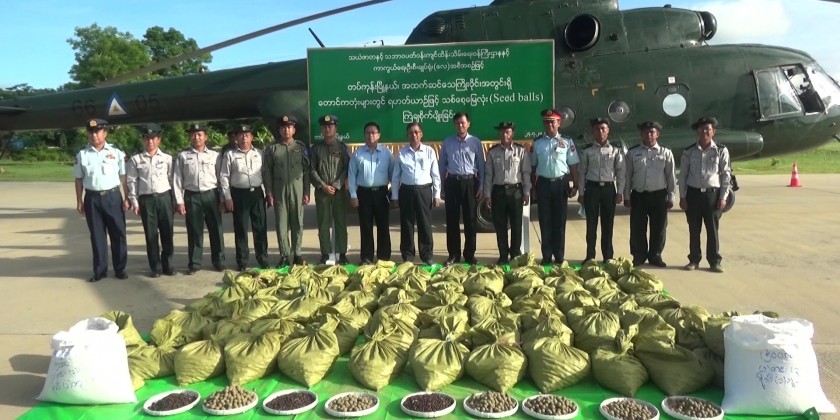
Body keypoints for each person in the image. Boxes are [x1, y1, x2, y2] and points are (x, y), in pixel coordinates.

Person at [72, 118, 129, 282]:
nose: (94, 135)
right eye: (91, 132)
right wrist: (79, 200)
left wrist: (127, 198)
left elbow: (124, 177)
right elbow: (78, 179)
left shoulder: (116, 153)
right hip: (92, 198)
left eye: (97, 131)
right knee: (97, 236)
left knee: (118, 233)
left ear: (105, 133)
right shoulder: (82, 154)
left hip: (113, 197)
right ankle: (99, 270)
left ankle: (120, 269)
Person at [679, 116, 732, 273]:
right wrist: (682, 197)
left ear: (713, 131)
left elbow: (726, 175)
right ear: (697, 131)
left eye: (708, 129)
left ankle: (714, 262)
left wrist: (723, 197)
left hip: (712, 195)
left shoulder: (721, 150)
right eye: (701, 129)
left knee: (712, 230)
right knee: (694, 229)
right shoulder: (689, 151)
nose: (704, 132)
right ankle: (694, 260)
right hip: (693, 195)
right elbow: (683, 176)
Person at [173, 123, 226, 275]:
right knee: (194, 231)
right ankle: (195, 263)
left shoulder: (215, 156)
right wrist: (179, 201)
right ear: (190, 137)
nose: (196, 137)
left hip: (211, 195)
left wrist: (223, 198)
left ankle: (219, 261)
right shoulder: (183, 156)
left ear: (205, 137)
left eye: (199, 134)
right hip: (192, 196)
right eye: (193, 134)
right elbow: (177, 179)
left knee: (216, 229)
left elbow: (221, 177)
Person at [530, 109, 580, 265]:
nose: (549, 125)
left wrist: (576, 185)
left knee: (559, 222)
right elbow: (533, 167)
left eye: (552, 122)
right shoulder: (537, 143)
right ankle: (546, 256)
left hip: (561, 184)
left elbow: (573, 165)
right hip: (543, 184)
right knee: (544, 221)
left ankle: (559, 256)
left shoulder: (567, 141)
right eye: (546, 122)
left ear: (559, 123)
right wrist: (533, 188)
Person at [623, 121, 676, 267]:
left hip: (659, 195)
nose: (649, 135)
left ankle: (655, 255)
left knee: (659, 228)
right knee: (637, 228)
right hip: (639, 195)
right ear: (641, 134)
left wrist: (671, 196)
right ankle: (639, 256)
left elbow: (671, 176)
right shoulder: (632, 153)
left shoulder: (666, 152)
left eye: (652, 132)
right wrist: (626, 196)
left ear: (657, 134)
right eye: (646, 132)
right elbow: (627, 176)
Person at [126, 123, 175, 278]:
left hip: (164, 198)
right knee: (151, 235)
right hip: (146, 200)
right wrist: (135, 202)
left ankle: (168, 265)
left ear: (159, 139)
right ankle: (156, 267)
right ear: (143, 139)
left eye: (153, 138)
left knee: (167, 232)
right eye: (147, 138)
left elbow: (172, 180)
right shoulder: (136, 160)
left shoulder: (167, 158)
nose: (150, 141)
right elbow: (132, 182)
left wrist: (175, 200)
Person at [220, 124, 269, 271]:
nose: (244, 138)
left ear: (252, 137)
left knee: (260, 227)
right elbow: (224, 176)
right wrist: (227, 197)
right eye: (241, 135)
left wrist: (268, 193)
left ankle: (263, 258)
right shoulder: (230, 154)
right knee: (241, 228)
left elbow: (265, 174)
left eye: (247, 135)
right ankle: (242, 261)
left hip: (257, 194)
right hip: (239, 194)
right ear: (236, 137)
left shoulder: (259, 153)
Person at [391, 122, 441, 266]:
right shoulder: (402, 152)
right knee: (407, 224)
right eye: (411, 132)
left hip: (424, 191)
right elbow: (395, 177)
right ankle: (408, 256)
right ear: (407, 135)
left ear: (421, 134)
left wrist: (436, 194)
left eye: (416, 132)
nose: (414, 135)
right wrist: (395, 196)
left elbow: (435, 174)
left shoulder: (429, 151)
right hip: (406, 191)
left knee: (425, 224)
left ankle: (427, 256)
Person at [263, 115, 311, 267]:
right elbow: (267, 173)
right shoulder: (272, 149)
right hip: (279, 191)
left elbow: (306, 171)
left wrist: (306, 192)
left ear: (294, 130)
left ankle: (297, 254)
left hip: (297, 190)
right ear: (279, 130)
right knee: (281, 224)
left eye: (289, 127)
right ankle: (284, 254)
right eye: (283, 127)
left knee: (298, 222)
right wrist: (269, 193)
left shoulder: (300, 148)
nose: (286, 130)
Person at [439, 112, 485, 265]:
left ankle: (470, 254)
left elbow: (481, 166)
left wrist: (481, 186)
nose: (460, 125)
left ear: (468, 124)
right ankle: (454, 254)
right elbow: (442, 166)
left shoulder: (475, 142)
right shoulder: (447, 142)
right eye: (457, 123)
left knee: (470, 220)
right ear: (454, 125)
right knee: (452, 220)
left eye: (463, 123)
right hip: (452, 182)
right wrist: (441, 187)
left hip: (469, 183)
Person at [577, 117, 626, 263]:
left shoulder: (615, 150)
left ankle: (608, 256)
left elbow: (621, 172)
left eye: (603, 129)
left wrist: (620, 192)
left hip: (609, 189)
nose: (600, 132)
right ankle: (590, 256)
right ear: (593, 132)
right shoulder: (587, 150)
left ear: (608, 131)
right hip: (592, 189)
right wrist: (581, 193)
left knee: (608, 225)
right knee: (591, 225)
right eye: (597, 129)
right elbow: (581, 172)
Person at [483, 121, 531, 265]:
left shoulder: (520, 151)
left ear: (512, 133)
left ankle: (515, 254)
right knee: (500, 226)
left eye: (508, 132)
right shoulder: (493, 152)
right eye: (502, 131)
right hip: (498, 192)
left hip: (516, 191)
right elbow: (488, 175)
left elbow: (526, 173)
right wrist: (487, 194)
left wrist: (526, 192)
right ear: (499, 133)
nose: (505, 134)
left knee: (516, 225)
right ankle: (503, 255)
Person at [348, 121, 395, 264]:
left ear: (378, 135)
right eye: (368, 133)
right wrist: (353, 195)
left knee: (383, 226)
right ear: (364, 135)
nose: (371, 136)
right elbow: (352, 176)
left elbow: (393, 174)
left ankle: (384, 257)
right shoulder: (358, 154)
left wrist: (394, 192)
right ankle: (367, 257)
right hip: (364, 194)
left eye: (373, 133)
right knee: (366, 227)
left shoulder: (386, 153)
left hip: (381, 193)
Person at [310, 114, 351, 265]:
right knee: (323, 223)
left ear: (335, 128)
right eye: (325, 126)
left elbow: (347, 168)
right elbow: (311, 170)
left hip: (338, 191)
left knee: (340, 222)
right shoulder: (315, 149)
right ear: (321, 129)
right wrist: (322, 185)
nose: (327, 129)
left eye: (330, 126)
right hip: (322, 191)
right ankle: (325, 253)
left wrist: (337, 184)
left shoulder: (342, 148)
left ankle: (342, 253)